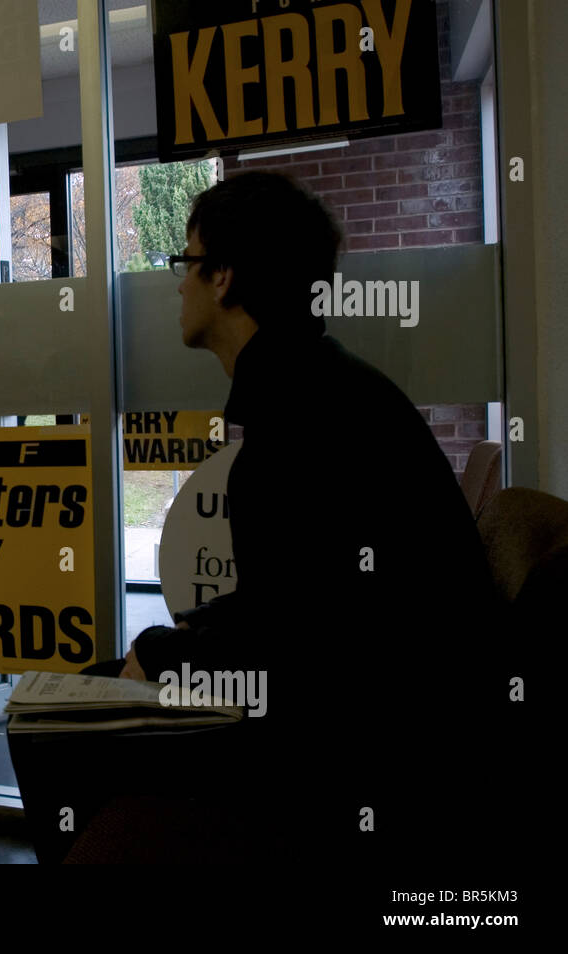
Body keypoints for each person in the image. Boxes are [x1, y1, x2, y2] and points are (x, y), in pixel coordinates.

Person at [112, 171, 504, 867]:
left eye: (188, 263)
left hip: (380, 761)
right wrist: (201, 631)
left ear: (226, 278)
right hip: (419, 732)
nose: (179, 285)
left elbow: (298, 651)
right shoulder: (322, 387)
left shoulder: (295, 420)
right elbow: (305, 598)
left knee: (62, 728)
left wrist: (171, 655)